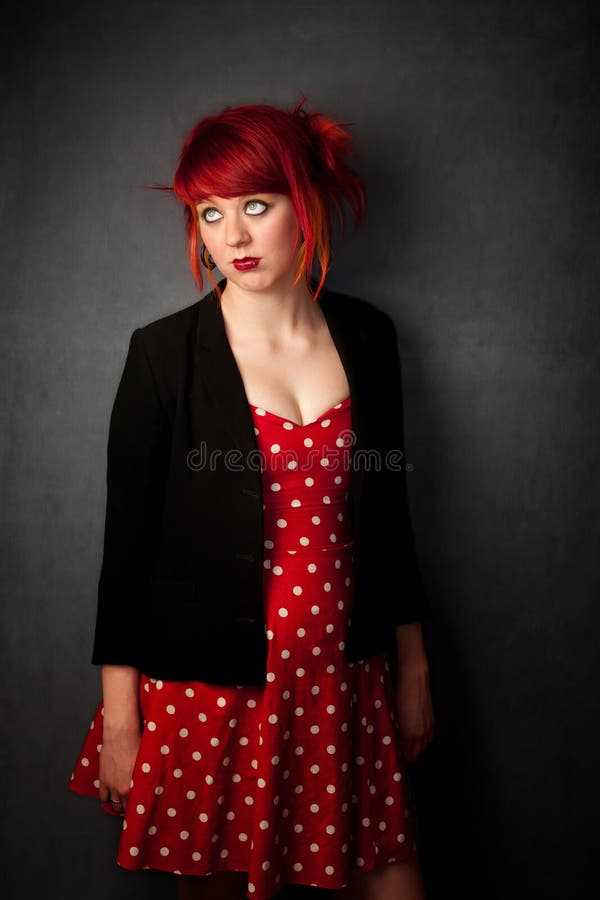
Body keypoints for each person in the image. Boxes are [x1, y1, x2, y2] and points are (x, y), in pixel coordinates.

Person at [68, 96, 435, 900]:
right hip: (209, 689)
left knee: (392, 878)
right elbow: (126, 553)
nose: (232, 235)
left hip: (344, 679)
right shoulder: (163, 355)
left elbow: (390, 520)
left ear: (304, 206)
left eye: (256, 207)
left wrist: (412, 665)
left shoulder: (369, 337)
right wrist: (121, 720)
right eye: (211, 213)